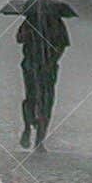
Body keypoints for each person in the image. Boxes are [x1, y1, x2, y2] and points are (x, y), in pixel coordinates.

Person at [17, 8, 70, 150]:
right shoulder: (30, 21)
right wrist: (29, 33)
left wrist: (51, 61)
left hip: (48, 67)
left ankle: (39, 141)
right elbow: (19, 38)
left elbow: (62, 45)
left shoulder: (57, 23)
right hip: (31, 64)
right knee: (31, 98)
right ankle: (27, 128)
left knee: (46, 102)